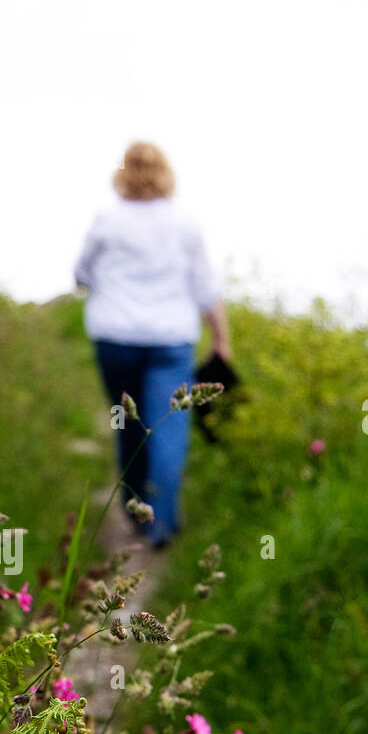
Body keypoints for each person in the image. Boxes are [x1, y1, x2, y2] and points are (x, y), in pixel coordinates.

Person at [75, 141, 230, 547]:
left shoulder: (106, 218)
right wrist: (222, 339)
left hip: (115, 338)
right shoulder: (185, 223)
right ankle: (161, 525)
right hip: (170, 339)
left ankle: (134, 509)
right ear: (166, 172)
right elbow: (205, 288)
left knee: (126, 422)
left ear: (123, 171)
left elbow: (82, 272)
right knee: (169, 429)